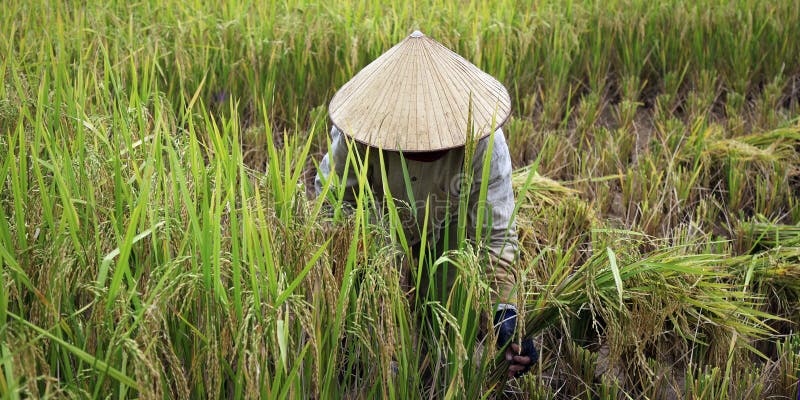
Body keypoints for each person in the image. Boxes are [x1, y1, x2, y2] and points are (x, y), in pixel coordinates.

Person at [314, 31, 537, 379]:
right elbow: (333, 211)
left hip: (447, 230)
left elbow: (496, 236)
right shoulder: (358, 138)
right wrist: (366, 278)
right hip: (379, 230)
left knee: (445, 338)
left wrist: (505, 311)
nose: (426, 148)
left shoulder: (483, 143)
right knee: (374, 346)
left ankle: (437, 356)